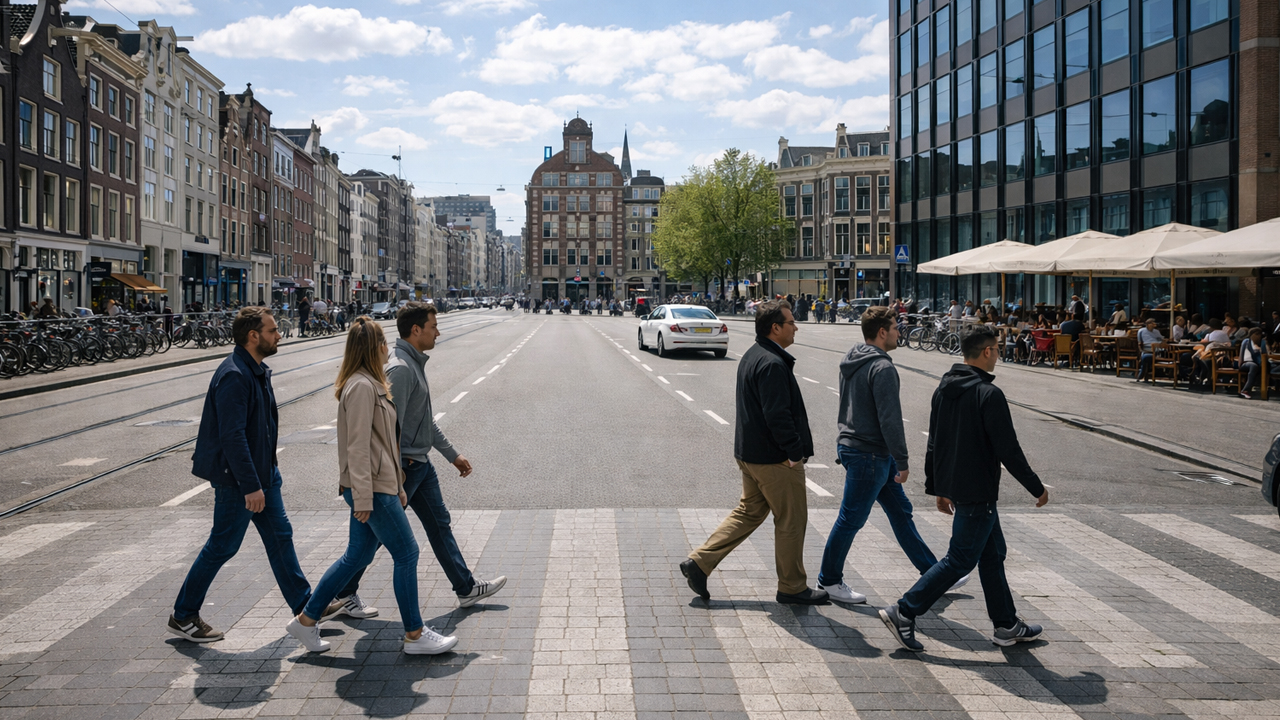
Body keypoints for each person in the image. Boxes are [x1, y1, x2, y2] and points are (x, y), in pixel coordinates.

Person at [285, 317, 457, 656]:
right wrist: (365, 496)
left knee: (357, 556)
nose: (387, 348)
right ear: (373, 348)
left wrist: (398, 486)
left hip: (381, 486)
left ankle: (305, 621)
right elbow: (358, 448)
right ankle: (414, 633)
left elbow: (385, 444)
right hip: (371, 490)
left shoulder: (370, 383)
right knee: (407, 553)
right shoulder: (362, 387)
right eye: (383, 342)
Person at [326, 303, 507, 618]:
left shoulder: (413, 364)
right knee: (372, 541)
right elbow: (386, 428)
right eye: (433, 326)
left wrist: (453, 455)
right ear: (415, 330)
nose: (438, 331)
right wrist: (395, 475)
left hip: (420, 464)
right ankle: (337, 596)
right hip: (406, 466)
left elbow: (422, 419)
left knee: (439, 526)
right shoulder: (401, 369)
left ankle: (465, 588)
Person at [878, 325, 1049, 652]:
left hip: (959, 488)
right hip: (979, 492)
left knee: (993, 553)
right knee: (959, 560)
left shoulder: (943, 388)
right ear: (986, 352)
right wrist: (1035, 487)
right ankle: (904, 611)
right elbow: (1008, 450)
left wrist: (939, 487)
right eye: (997, 349)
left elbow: (935, 444)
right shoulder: (989, 394)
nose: (998, 355)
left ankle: (1006, 624)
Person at [168, 308, 311, 643]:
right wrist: (251, 486)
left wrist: (267, 475)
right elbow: (232, 437)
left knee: (280, 538)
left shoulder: (255, 370)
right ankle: (184, 615)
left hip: (264, 474)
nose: (279, 335)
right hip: (240, 481)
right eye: (273, 330)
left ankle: (306, 608)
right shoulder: (235, 374)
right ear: (253, 335)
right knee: (223, 545)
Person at [681, 300, 828, 605]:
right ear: (776, 328)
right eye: (791, 322)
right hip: (773, 459)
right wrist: (793, 452)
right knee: (791, 520)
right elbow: (777, 415)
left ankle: (699, 562)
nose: (796, 326)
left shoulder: (753, 355)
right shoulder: (773, 363)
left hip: (749, 453)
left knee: (749, 512)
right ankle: (792, 586)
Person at [818, 307, 967, 605]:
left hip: (858, 448)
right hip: (870, 454)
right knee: (851, 519)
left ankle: (932, 572)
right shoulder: (883, 368)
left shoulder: (853, 358)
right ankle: (830, 579)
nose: (900, 332)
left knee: (901, 512)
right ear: (882, 332)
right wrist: (902, 460)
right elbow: (890, 419)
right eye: (896, 327)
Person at [1238, 328, 1267, 400]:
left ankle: (1247, 389)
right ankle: (1246, 390)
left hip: (1257, 363)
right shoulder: (1247, 341)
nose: (1257, 337)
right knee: (1253, 366)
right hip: (1246, 363)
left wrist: (1260, 349)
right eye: (1256, 335)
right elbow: (1242, 354)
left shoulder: (1262, 343)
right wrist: (1240, 363)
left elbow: (1264, 354)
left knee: (1259, 367)